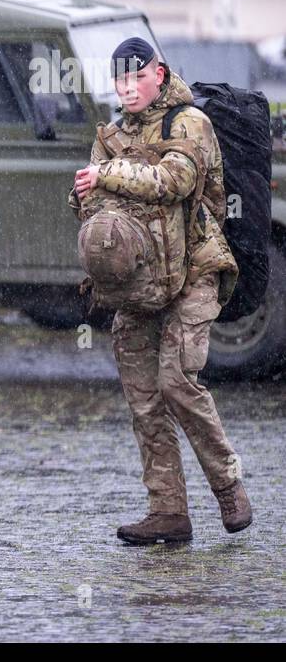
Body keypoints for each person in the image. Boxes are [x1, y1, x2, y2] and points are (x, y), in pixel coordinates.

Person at [72, 36, 251, 544]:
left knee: (176, 383)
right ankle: (168, 510)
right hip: (140, 278)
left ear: (160, 74)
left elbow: (176, 180)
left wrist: (106, 174)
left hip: (196, 271)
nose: (128, 88)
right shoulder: (112, 134)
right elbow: (88, 201)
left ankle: (228, 485)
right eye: (120, 80)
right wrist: (86, 195)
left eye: (137, 77)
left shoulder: (188, 122)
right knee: (144, 397)